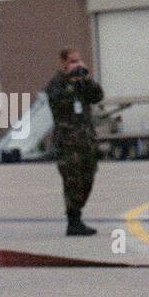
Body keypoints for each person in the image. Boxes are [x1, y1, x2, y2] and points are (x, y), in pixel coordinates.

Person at [45, 48, 103, 236]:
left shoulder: (82, 82)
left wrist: (85, 78)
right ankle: (73, 221)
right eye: (72, 62)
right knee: (72, 182)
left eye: (78, 61)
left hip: (86, 142)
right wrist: (72, 80)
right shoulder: (56, 84)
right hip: (68, 144)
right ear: (63, 63)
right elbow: (59, 100)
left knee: (87, 179)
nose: (76, 65)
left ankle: (77, 215)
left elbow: (98, 96)